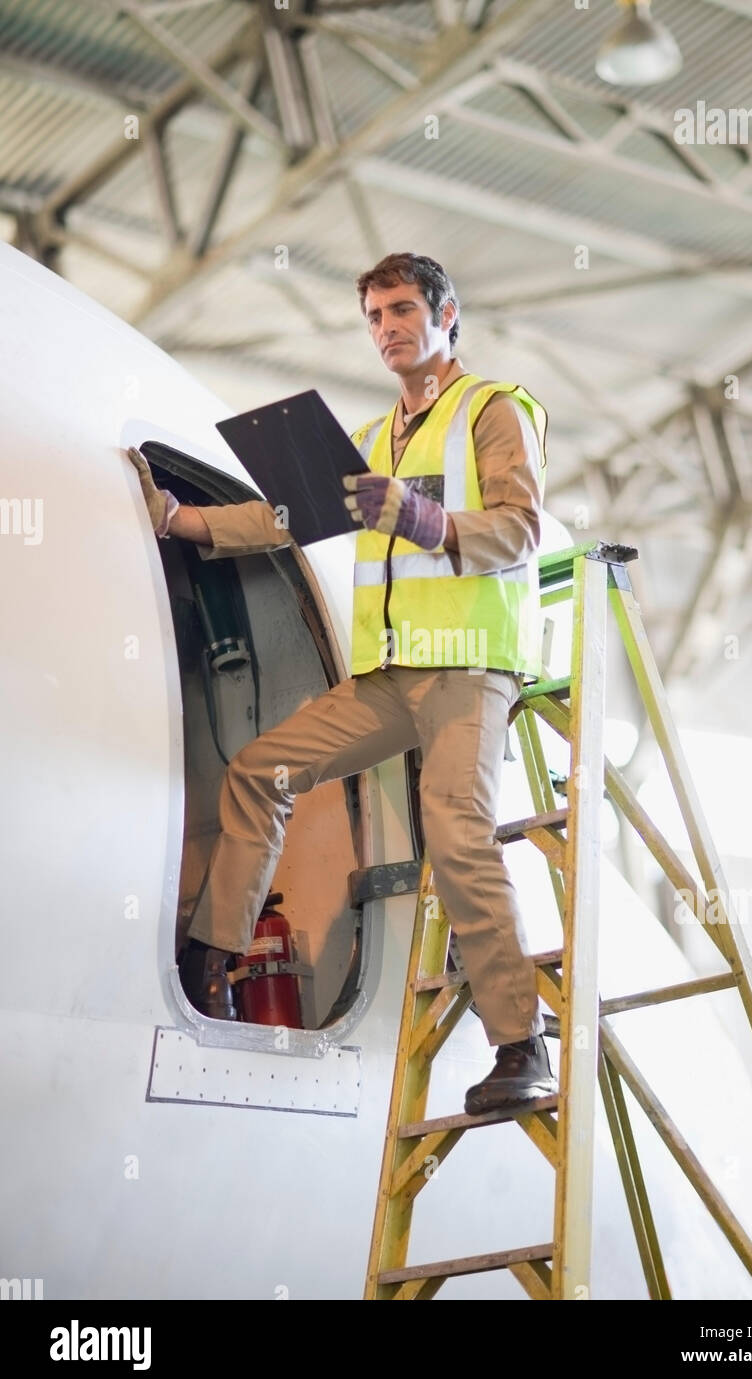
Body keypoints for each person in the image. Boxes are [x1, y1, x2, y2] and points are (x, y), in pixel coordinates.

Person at [130, 252, 555, 1116]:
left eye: (402, 310)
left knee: (457, 830)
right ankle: (211, 960)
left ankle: (523, 1044)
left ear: (446, 315)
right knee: (261, 768)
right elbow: (280, 521)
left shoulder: (494, 410)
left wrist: (420, 516)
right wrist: (182, 521)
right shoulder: (366, 442)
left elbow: (519, 530)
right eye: (373, 316)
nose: (388, 328)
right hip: (391, 677)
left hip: (468, 669)